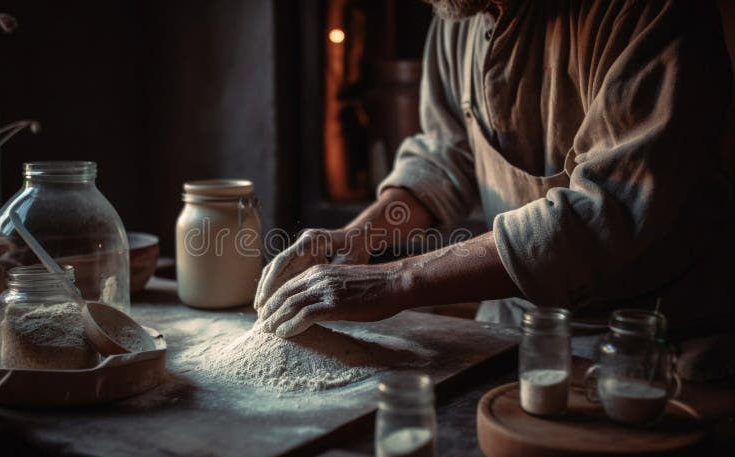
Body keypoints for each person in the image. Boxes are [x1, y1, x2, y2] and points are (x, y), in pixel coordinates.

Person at [255, 0, 734, 378]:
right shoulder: (458, 15)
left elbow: (602, 211)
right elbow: (446, 156)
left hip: (656, 343)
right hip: (510, 330)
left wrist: (395, 280)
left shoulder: (648, 12)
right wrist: (356, 239)